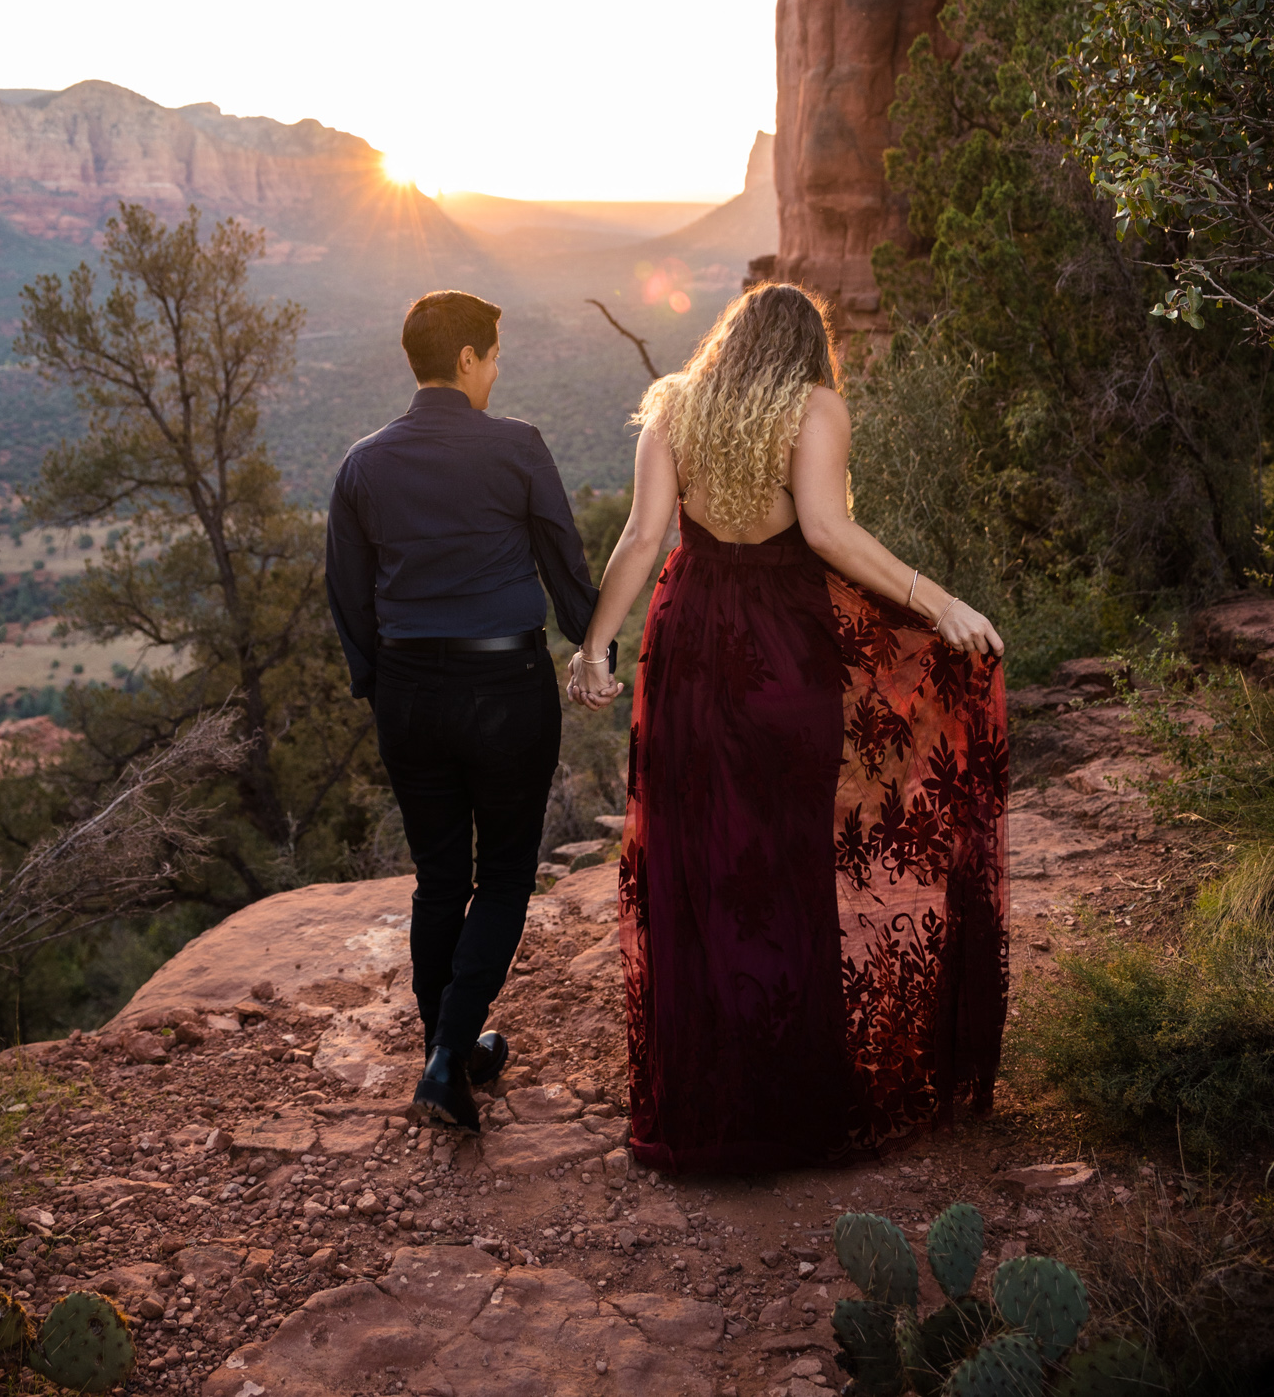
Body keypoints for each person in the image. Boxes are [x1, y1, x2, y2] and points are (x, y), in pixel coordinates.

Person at [568, 281, 1008, 1174]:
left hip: (688, 643)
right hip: (784, 647)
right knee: (789, 861)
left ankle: (709, 1107)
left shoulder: (674, 410)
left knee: (700, 861)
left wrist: (594, 650)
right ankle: (794, 1104)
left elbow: (642, 538)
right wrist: (939, 600)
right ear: (808, 348)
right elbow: (829, 533)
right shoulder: (812, 408)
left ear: (729, 341)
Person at [325, 288, 599, 1136]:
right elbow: (564, 564)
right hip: (507, 689)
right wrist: (597, 650)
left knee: (441, 877)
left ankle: (450, 1047)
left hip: (411, 693)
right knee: (507, 872)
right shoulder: (517, 448)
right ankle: (449, 1055)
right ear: (472, 360)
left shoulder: (363, 463)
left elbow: (348, 597)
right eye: (494, 358)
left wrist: (384, 688)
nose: (495, 372)